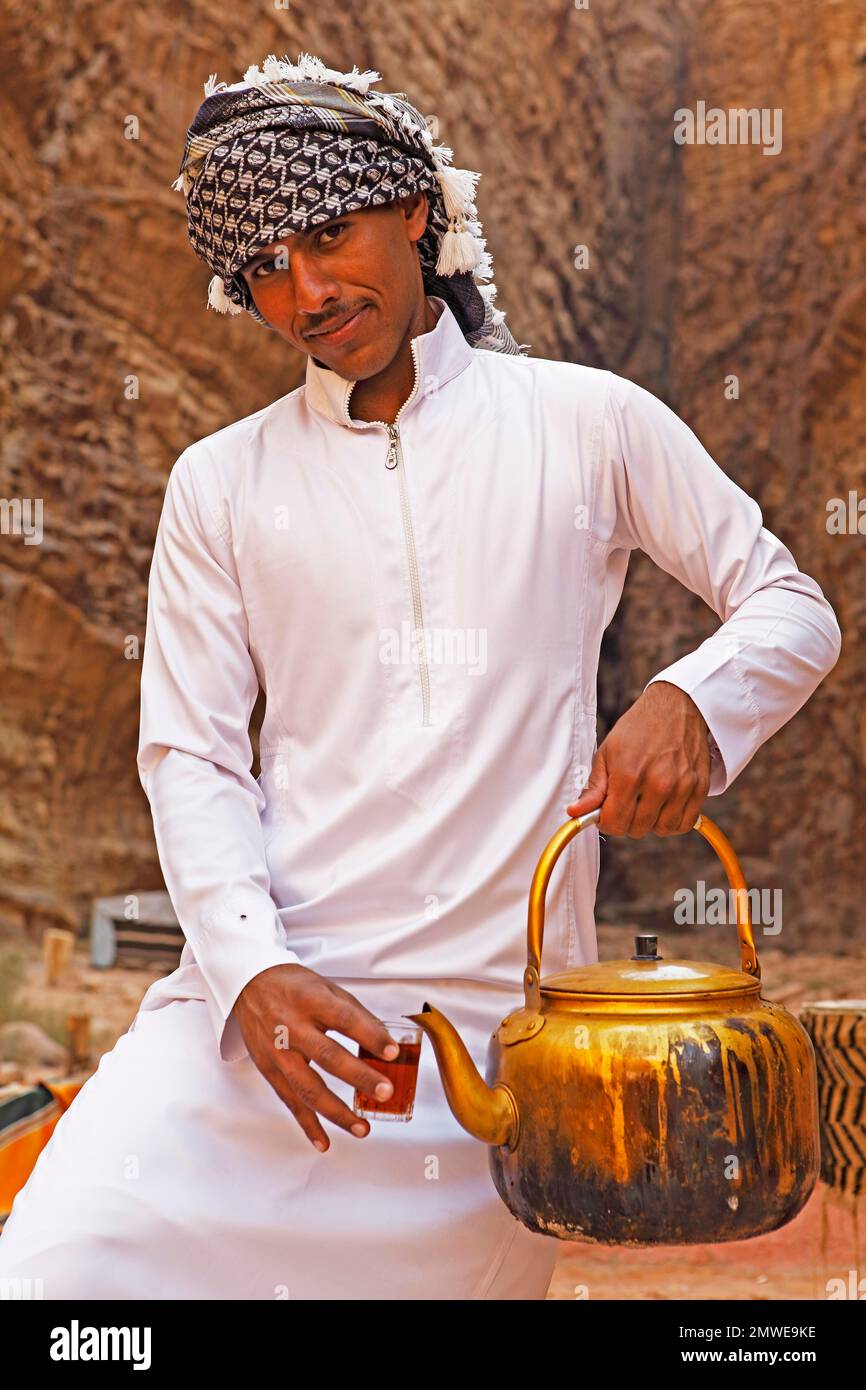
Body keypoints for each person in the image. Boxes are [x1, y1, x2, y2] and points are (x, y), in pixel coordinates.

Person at [0, 51, 842, 1300]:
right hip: (267, 1024)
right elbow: (193, 756)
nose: (305, 291)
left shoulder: (587, 421)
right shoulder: (219, 484)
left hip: (490, 1068)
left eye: (328, 235)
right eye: (266, 268)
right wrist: (250, 973)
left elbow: (788, 603)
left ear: (413, 211)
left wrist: (690, 703)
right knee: (56, 1271)